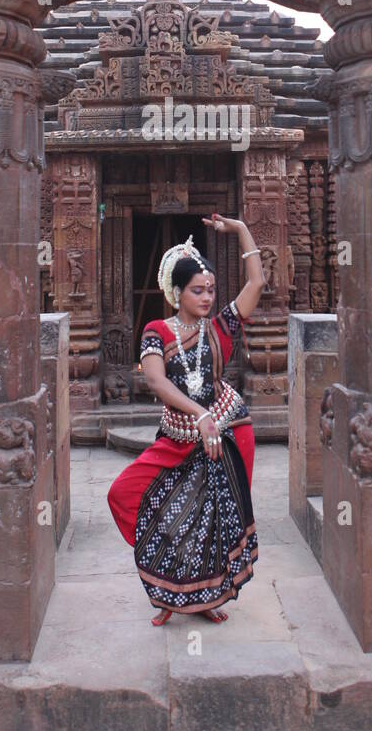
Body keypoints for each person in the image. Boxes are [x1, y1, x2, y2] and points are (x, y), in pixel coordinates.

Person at [107, 214, 265, 624]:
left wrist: (242, 230)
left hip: (228, 432)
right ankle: (169, 585)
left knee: (216, 517)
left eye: (211, 289)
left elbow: (257, 284)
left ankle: (206, 597)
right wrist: (198, 415)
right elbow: (157, 381)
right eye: (198, 290)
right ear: (177, 292)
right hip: (179, 437)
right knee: (126, 495)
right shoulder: (156, 331)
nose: (207, 297)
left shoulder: (220, 328)